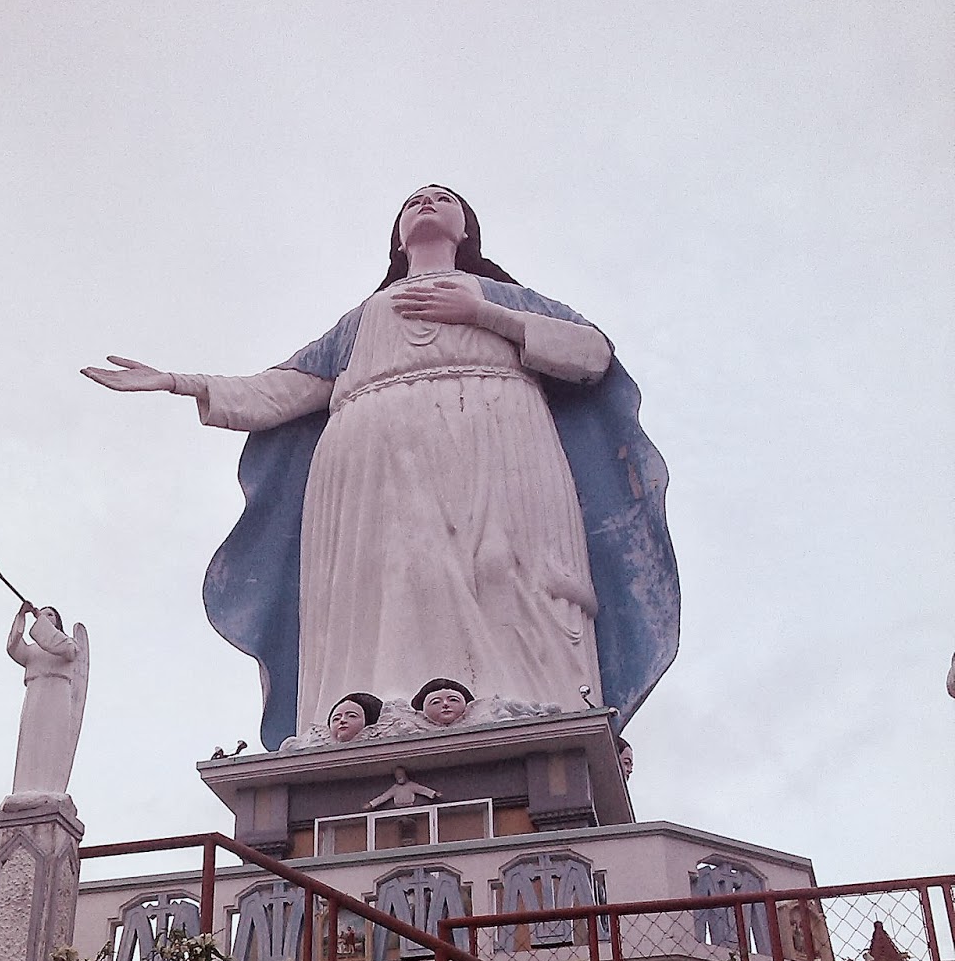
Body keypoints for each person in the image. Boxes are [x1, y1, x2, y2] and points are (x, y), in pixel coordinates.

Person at [83, 187, 678, 748]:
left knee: (505, 569)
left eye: (443, 198)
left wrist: (483, 313)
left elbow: (591, 356)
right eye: (414, 201)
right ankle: (367, 712)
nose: (426, 201)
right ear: (397, 239)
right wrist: (179, 382)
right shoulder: (366, 317)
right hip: (373, 461)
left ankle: (528, 709)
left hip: (496, 442)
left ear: (466, 230)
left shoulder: (508, 299)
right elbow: (286, 390)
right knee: (386, 579)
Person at [6, 603, 89, 798]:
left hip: (57, 695)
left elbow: (60, 646)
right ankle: (25, 789)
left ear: (57, 621)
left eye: (50, 615)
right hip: (36, 692)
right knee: (31, 739)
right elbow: (14, 648)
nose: (44, 617)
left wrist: (40, 621)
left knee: (51, 739)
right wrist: (21, 617)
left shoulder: (69, 644)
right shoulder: (33, 650)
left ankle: (50, 788)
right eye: (42, 614)